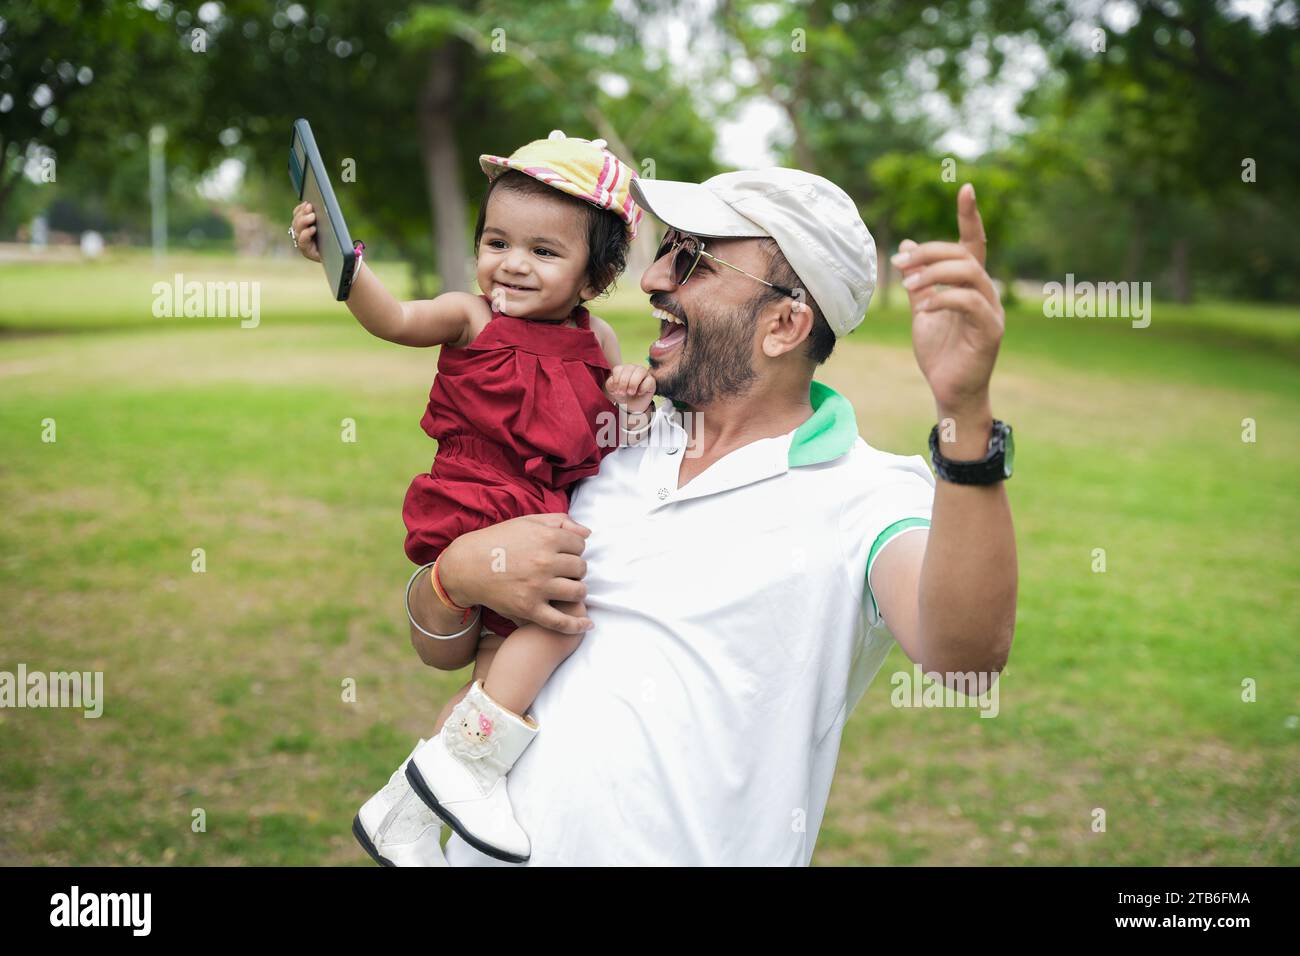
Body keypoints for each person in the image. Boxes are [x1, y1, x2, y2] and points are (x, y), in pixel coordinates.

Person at [405, 167, 1018, 866]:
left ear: (785, 324)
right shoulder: (603, 437)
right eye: (666, 247)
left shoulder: (868, 494)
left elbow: (965, 658)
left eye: (693, 258)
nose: (653, 278)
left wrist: (966, 417)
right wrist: (455, 577)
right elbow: (441, 647)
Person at [290, 131, 660, 865]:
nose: (512, 263)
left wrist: (633, 396)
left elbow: (612, 438)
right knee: (560, 627)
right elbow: (392, 318)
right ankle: (461, 772)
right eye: (497, 241)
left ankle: (408, 811)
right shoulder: (471, 316)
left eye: (544, 251)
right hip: (478, 502)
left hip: (544, 509)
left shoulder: (600, 340)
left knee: (497, 678)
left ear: (596, 275)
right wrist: (340, 261)